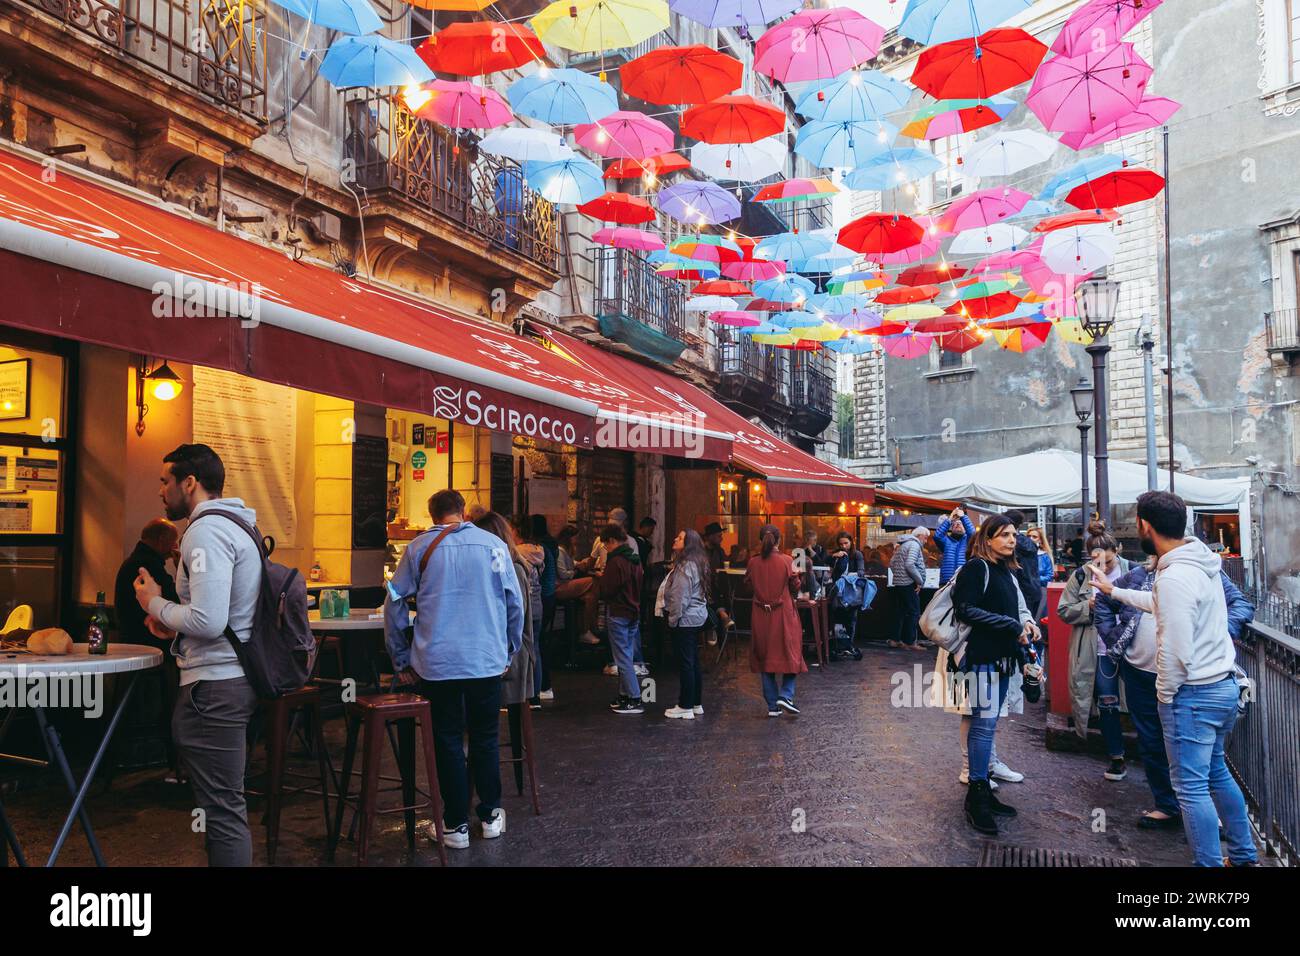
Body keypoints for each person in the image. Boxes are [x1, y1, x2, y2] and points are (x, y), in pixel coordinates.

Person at [1090, 491, 1257, 866]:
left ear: (1145, 527)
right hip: (1222, 686)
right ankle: (1245, 858)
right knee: (1217, 773)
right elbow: (1163, 603)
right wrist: (1113, 590)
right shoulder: (1199, 563)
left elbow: (1176, 651)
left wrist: (1165, 695)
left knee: (1191, 789)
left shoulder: (1175, 576)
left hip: (1192, 695)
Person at [132, 443, 261, 866]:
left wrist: (153, 602)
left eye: (166, 481)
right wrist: (172, 621)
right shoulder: (238, 525)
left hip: (215, 688)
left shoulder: (205, 532)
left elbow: (207, 620)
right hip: (229, 681)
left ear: (190, 483)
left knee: (222, 811)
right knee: (223, 806)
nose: (161, 491)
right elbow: (218, 616)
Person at [385, 489, 524, 850]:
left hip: (437, 663)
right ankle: (491, 815)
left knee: (446, 739)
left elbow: (394, 601)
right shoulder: (492, 545)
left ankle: (454, 825)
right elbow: (514, 600)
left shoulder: (418, 549)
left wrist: (401, 657)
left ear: (433, 516)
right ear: (463, 511)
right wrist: (509, 645)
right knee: (485, 736)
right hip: (485, 660)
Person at [951, 514, 1039, 836]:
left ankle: (983, 792)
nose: (1011, 540)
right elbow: (965, 609)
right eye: (1003, 535)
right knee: (982, 726)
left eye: (1014, 534)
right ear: (987, 539)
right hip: (982, 659)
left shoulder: (1006, 570)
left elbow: (1011, 611)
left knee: (988, 725)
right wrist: (1012, 625)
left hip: (1003, 660)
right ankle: (976, 796)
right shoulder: (977, 567)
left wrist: (1026, 624)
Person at [1059, 521, 1132, 782]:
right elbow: (1064, 611)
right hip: (1098, 650)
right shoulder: (1081, 575)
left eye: (1108, 561)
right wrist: (1088, 605)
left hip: (1131, 651)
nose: (1102, 566)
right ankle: (1116, 757)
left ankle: (1154, 756)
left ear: (1118, 550)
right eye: (1096, 559)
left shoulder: (1133, 573)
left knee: (1141, 702)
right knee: (1107, 702)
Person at [475, 511, 539, 792]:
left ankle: (476, 795)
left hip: (507, 662)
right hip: (507, 656)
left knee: (471, 720)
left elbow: (515, 617)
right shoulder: (508, 564)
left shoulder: (511, 567)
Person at [746, 524, 808, 717]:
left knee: (765, 656)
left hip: (760, 614)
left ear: (760, 540)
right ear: (779, 540)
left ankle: (773, 705)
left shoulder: (753, 562)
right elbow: (795, 585)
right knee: (792, 651)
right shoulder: (787, 560)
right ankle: (786, 695)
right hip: (783, 613)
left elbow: (748, 586)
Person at [597, 523, 645, 715]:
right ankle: (624, 695)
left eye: (605, 545)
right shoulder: (634, 559)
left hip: (618, 612)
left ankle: (634, 698)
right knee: (627, 654)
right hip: (634, 611)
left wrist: (602, 579)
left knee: (622, 658)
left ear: (611, 540)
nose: (605, 548)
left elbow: (608, 589)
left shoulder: (615, 561)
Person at [663, 529, 709, 720]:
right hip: (697, 617)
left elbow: (679, 597)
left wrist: (673, 620)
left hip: (686, 619)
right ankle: (696, 703)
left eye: (680, 538)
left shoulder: (685, 566)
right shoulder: (699, 563)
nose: (675, 538)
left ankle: (685, 705)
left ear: (688, 543)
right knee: (693, 662)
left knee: (686, 663)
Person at [515, 521, 547, 710]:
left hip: (523, 605)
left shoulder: (516, 553)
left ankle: (520, 695)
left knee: (519, 650)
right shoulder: (539, 552)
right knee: (534, 649)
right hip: (537, 604)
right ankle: (535, 696)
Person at [527, 514, 559, 701]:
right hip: (548, 596)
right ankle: (543, 687)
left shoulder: (535, 549)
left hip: (539, 597)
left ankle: (536, 690)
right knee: (540, 643)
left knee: (535, 644)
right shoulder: (550, 545)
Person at [555, 524, 599, 646]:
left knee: (589, 597)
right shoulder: (560, 551)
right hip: (560, 587)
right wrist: (576, 569)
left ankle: (585, 630)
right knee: (593, 581)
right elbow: (563, 574)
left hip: (565, 584)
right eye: (575, 537)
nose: (577, 540)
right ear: (568, 538)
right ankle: (591, 625)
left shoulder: (566, 551)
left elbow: (570, 563)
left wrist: (578, 563)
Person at [887, 526, 930, 651]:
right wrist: (919, 581)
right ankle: (910, 642)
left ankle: (895, 640)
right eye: (926, 538)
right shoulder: (914, 545)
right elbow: (910, 564)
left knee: (900, 611)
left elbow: (892, 563)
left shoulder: (903, 545)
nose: (926, 541)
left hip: (900, 583)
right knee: (914, 611)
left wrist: (898, 576)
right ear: (919, 536)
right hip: (908, 583)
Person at [828, 530, 865, 661]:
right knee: (837, 618)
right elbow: (826, 565)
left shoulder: (857, 554)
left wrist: (856, 574)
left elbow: (861, 570)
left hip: (852, 591)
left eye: (846, 543)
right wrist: (834, 557)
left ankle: (849, 644)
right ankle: (839, 644)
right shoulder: (837, 554)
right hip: (839, 591)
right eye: (841, 544)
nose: (844, 546)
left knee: (851, 619)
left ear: (851, 542)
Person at [1003, 510, 1044, 620]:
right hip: (1034, 589)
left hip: (1021, 590)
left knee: (1021, 626)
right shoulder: (1028, 542)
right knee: (1029, 624)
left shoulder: (1011, 544)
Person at [701, 521, 734, 646]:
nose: (722, 538)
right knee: (713, 597)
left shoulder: (719, 551)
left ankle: (714, 628)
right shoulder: (701, 551)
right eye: (719, 536)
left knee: (724, 597)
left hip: (716, 587)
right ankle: (717, 622)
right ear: (710, 536)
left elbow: (724, 565)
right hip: (703, 587)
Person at [935, 506, 975, 586]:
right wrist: (950, 519)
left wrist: (963, 517)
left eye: (960, 524)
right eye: (955, 524)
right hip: (946, 582)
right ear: (951, 529)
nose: (957, 525)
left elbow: (973, 534)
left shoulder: (969, 541)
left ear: (965, 528)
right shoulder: (946, 541)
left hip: (964, 581)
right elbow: (937, 536)